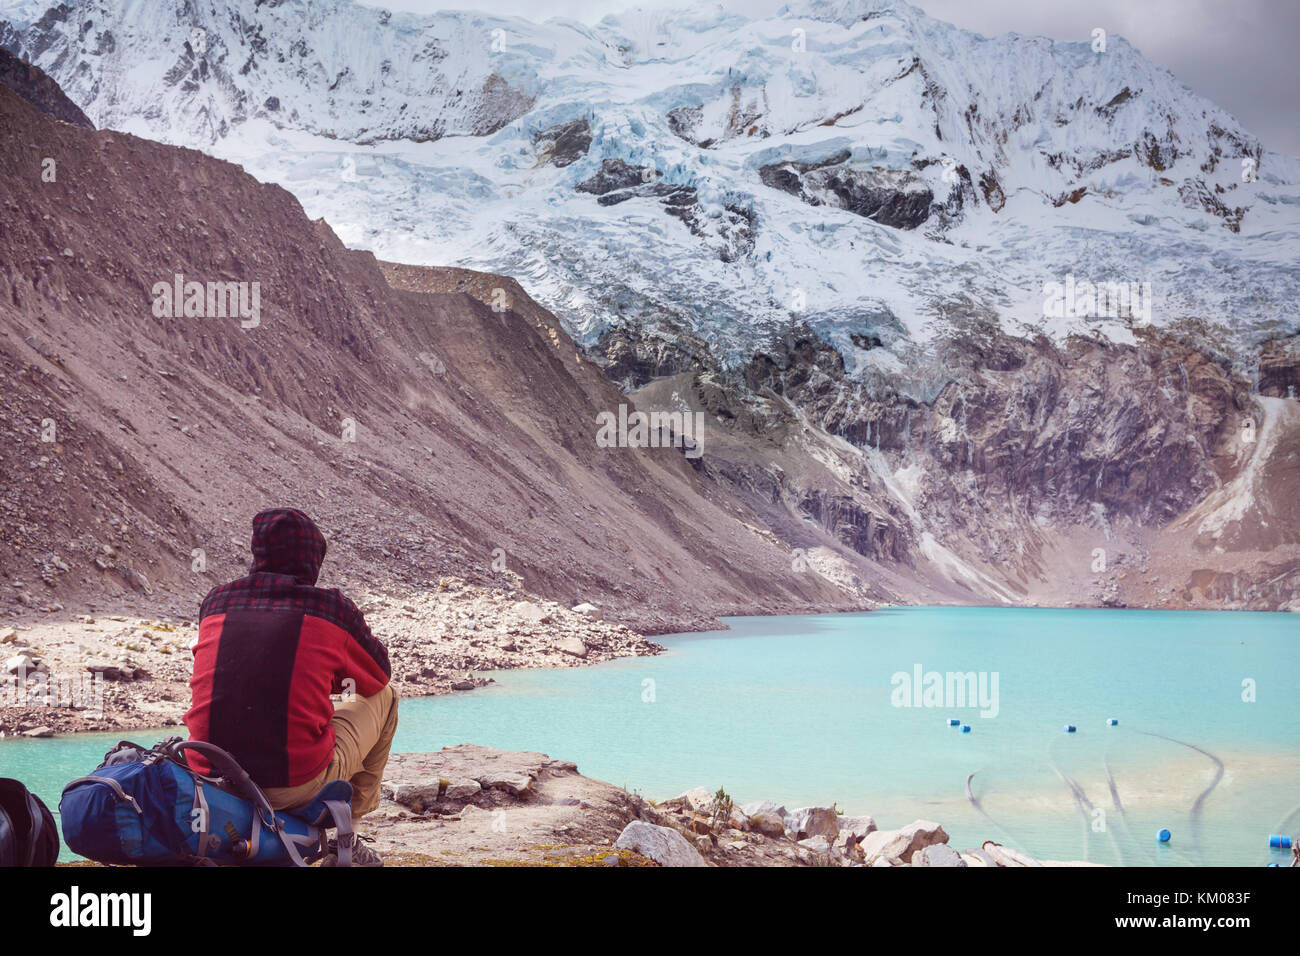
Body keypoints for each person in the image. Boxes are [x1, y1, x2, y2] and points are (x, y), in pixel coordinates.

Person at [184, 508, 397, 866]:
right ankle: (347, 842)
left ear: (258, 553)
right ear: (312, 560)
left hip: (206, 778)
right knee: (386, 699)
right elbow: (378, 676)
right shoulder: (329, 608)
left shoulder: (215, 602)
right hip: (290, 784)